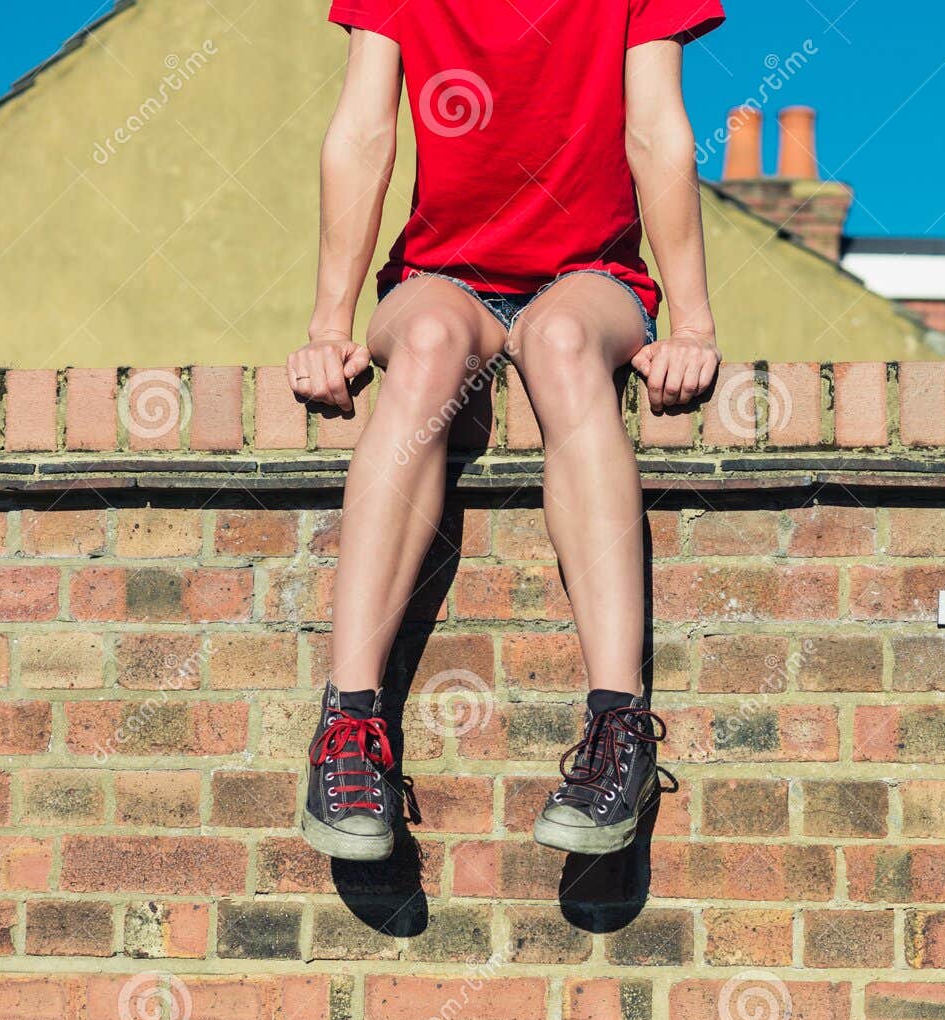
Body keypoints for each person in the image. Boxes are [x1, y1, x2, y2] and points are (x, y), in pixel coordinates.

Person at [289, 0, 725, 862]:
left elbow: (656, 134)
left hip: (590, 276)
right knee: (423, 344)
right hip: (440, 275)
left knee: (561, 346)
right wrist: (329, 324)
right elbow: (364, 132)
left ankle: (619, 731)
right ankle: (348, 728)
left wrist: (695, 327)